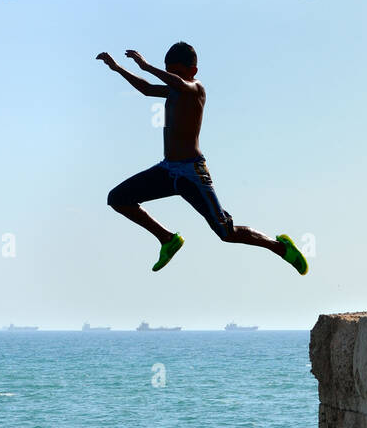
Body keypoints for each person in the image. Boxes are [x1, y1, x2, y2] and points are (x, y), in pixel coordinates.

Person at [96, 42, 308, 276]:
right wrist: (117, 68)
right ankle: (167, 239)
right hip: (167, 171)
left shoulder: (195, 89)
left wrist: (147, 66)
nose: (170, 78)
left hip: (192, 173)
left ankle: (280, 248)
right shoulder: (174, 89)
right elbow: (146, 89)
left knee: (227, 233)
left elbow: (176, 82)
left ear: (192, 72)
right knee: (118, 198)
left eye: (175, 72)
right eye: (169, 71)